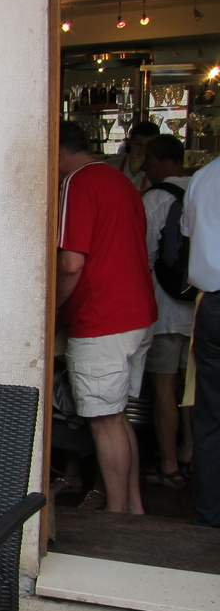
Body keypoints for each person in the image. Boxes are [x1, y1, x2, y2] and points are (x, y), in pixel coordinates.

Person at [57, 121, 157, 514]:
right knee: (118, 419)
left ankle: (116, 519)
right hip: (137, 313)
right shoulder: (121, 182)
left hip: (104, 318)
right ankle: (133, 509)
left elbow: (70, 263)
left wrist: (56, 313)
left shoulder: (79, 183)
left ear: (59, 151)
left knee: (103, 423)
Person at [142, 135, 194, 489]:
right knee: (191, 389)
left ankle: (169, 464)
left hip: (164, 308)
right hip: (199, 306)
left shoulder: (156, 199)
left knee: (163, 388)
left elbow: (141, 256)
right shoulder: (205, 187)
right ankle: (192, 451)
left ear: (157, 161)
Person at [182, 154, 220, 526]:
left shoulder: (205, 177)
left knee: (210, 416)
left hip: (214, 303)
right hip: (212, 305)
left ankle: (210, 513)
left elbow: (189, 232)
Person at [106, 120, 160, 192]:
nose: (142, 150)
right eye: (138, 144)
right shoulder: (109, 167)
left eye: (147, 145)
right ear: (130, 142)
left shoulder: (158, 172)